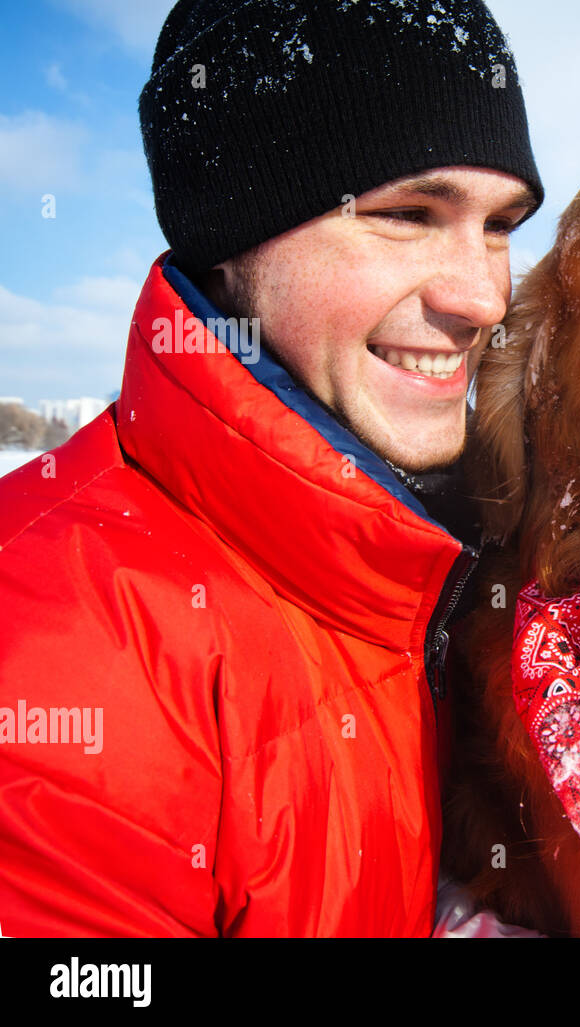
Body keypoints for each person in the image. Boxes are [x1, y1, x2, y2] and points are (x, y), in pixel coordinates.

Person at [0, 0, 542, 936]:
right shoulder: (53, 650)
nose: (484, 294)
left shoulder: (446, 574)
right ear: (234, 234)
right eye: (409, 213)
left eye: (499, 226)